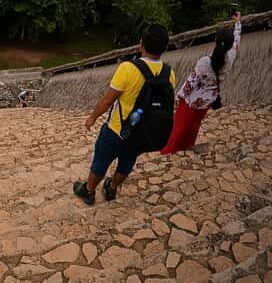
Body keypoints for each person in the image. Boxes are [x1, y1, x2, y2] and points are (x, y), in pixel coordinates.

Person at [73, 24, 176, 205]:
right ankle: (112, 188)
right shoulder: (169, 74)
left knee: (101, 161)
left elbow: (107, 101)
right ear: (165, 48)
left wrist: (92, 117)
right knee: (127, 162)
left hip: (117, 130)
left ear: (141, 44)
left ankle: (88, 191)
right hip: (142, 133)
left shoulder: (128, 68)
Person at [161, 11, 242, 155]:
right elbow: (237, 40)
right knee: (194, 124)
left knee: (179, 127)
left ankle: (169, 152)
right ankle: (188, 146)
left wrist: (179, 97)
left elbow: (191, 82)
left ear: (216, 41)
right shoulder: (231, 57)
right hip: (208, 100)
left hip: (191, 101)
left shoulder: (205, 62)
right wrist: (238, 23)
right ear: (229, 46)